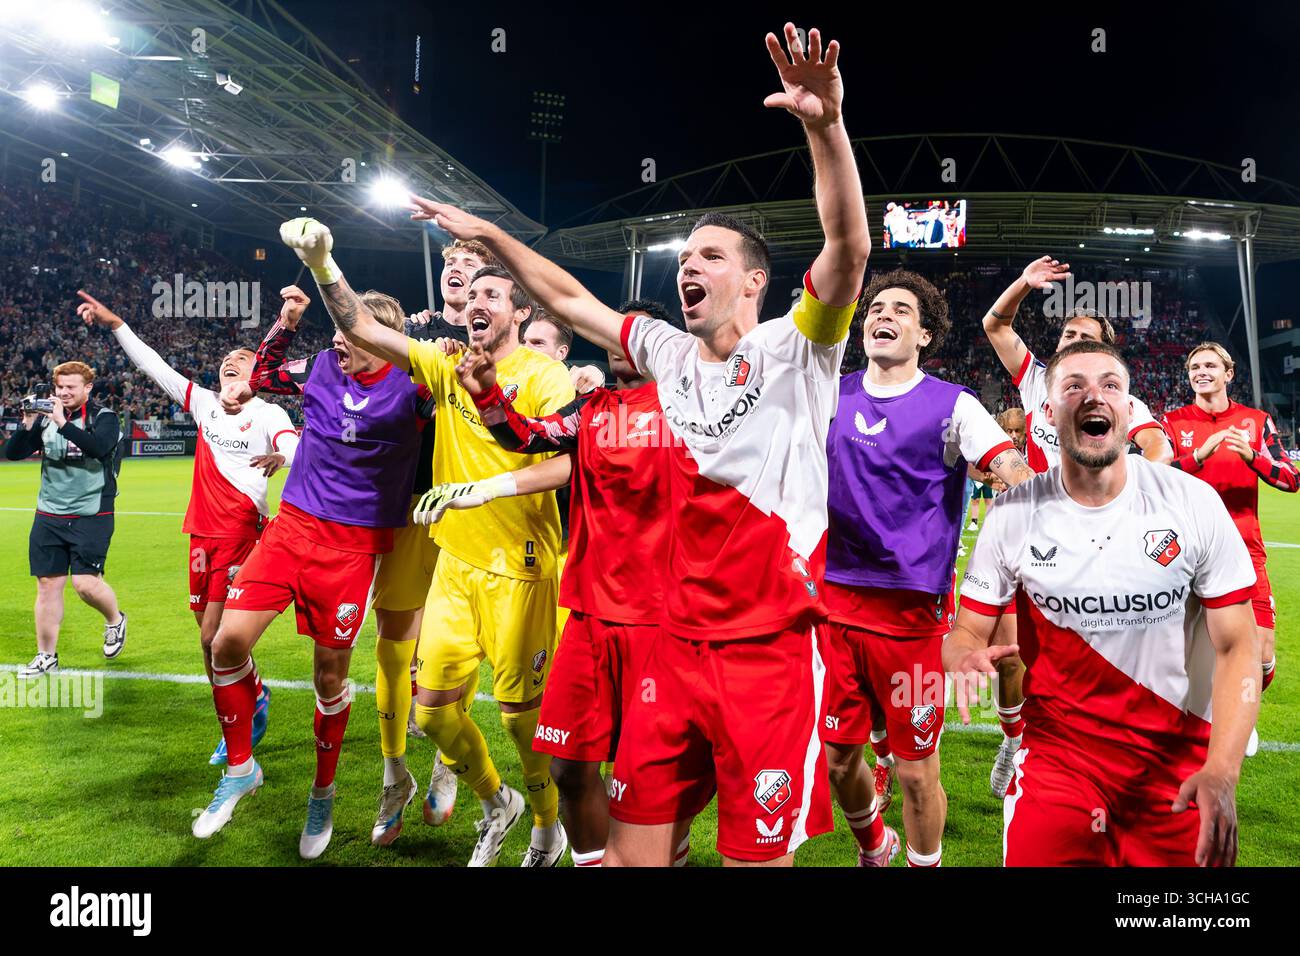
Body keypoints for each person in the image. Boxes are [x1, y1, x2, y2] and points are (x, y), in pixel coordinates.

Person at [406, 21, 871, 866]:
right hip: (667, 646)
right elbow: (570, 298)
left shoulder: (800, 347)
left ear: (755, 280)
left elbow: (848, 246)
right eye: (684, 256)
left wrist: (824, 126)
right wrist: (492, 235)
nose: (687, 266)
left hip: (767, 651)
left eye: (710, 256)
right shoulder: (662, 351)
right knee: (631, 856)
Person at [279, 218, 576, 867]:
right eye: (472, 299)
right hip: (455, 565)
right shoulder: (444, 366)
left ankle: (549, 826)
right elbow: (365, 328)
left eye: (492, 297)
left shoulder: (546, 375)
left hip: (522, 570)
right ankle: (499, 802)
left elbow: (567, 460)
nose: (476, 305)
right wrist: (326, 264)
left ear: (520, 313)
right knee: (434, 714)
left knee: (522, 720)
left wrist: (488, 488)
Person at [947, 341, 1259, 866]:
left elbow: (1238, 646)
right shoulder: (1012, 513)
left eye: (1110, 385)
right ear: (1048, 414)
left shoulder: (1190, 502)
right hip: (1059, 762)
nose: (1094, 396)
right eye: (1074, 386)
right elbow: (967, 632)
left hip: (1173, 766)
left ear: (1129, 407)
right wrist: (960, 655)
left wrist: (1223, 773)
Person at [416, 299, 685, 868]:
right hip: (589, 605)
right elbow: (528, 436)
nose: (619, 343)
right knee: (566, 763)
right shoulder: (592, 409)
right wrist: (488, 392)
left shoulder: (692, 407)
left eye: (635, 334)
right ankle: (568, 842)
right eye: (613, 333)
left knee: (651, 775)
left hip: (662, 614)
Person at [192, 284, 427, 861]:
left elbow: (471, 402)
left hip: (352, 548)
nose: (340, 339)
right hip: (290, 529)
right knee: (226, 643)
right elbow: (264, 376)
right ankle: (242, 766)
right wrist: (287, 320)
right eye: (339, 328)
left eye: (351, 329)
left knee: (328, 680)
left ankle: (322, 793)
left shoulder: (417, 388)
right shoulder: (322, 364)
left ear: (383, 338)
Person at [821, 269, 1034, 868]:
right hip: (833, 610)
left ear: (925, 334)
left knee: (917, 775)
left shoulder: (953, 405)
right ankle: (874, 845)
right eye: (875, 308)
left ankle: (924, 862)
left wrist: (1029, 497)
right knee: (839, 761)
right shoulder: (829, 394)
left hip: (913, 622)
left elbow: (1006, 464)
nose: (882, 316)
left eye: (900, 310)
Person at [75, 290, 299, 766]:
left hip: (242, 535)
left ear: (258, 373)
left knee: (214, 640)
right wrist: (116, 323)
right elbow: (152, 365)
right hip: (200, 535)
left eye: (242, 359)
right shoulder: (204, 405)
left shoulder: (269, 413)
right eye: (226, 361)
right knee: (206, 639)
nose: (230, 363)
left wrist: (283, 455)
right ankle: (252, 698)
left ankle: (242, 727)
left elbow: (295, 447)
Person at [980, 256, 1174, 797]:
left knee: (1086, 652)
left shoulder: (1120, 398)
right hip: (1029, 531)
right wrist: (1024, 282)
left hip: (1091, 538)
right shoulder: (1037, 381)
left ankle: (1096, 753)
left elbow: (1159, 446)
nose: (1072, 340)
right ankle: (1015, 738)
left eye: (1085, 336)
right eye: (1068, 332)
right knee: (1007, 651)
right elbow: (995, 325)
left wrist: (1129, 488)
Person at [1162, 342, 1298, 752]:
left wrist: (1254, 456)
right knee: (1180, 656)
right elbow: (1155, 476)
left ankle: (1242, 707)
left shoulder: (1255, 421)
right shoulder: (1172, 422)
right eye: (1194, 367)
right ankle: (1192, 732)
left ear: (1228, 374)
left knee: (1259, 654)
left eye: (1209, 366)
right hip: (1186, 553)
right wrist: (1199, 456)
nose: (1200, 372)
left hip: (1244, 549)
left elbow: (1291, 478)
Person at [6, 360, 127, 677]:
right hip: (49, 512)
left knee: (85, 585)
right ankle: (46, 655)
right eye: (59, 387)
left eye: (70, 387)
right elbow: (13, 453)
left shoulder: (105, 418)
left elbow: (99, 448)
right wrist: (29, 422)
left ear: (88, 388)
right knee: (47, 585)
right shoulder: (46, 419)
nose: (63, 393)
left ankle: (115, 619)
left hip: (92, 512)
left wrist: (62, 423)